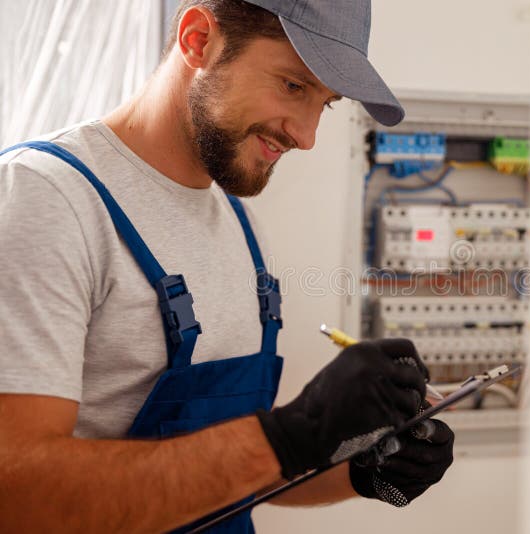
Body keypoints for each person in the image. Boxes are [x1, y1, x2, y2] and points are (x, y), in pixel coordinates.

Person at [0, 0, 454, 532]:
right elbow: (17, 493)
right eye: (292, 85)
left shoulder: (239, 223)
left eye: (325, 104)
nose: (305, 135)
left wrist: (360, 472)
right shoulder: (46, 200)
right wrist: (289, 434)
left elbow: (227, 471)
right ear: (197, 39)